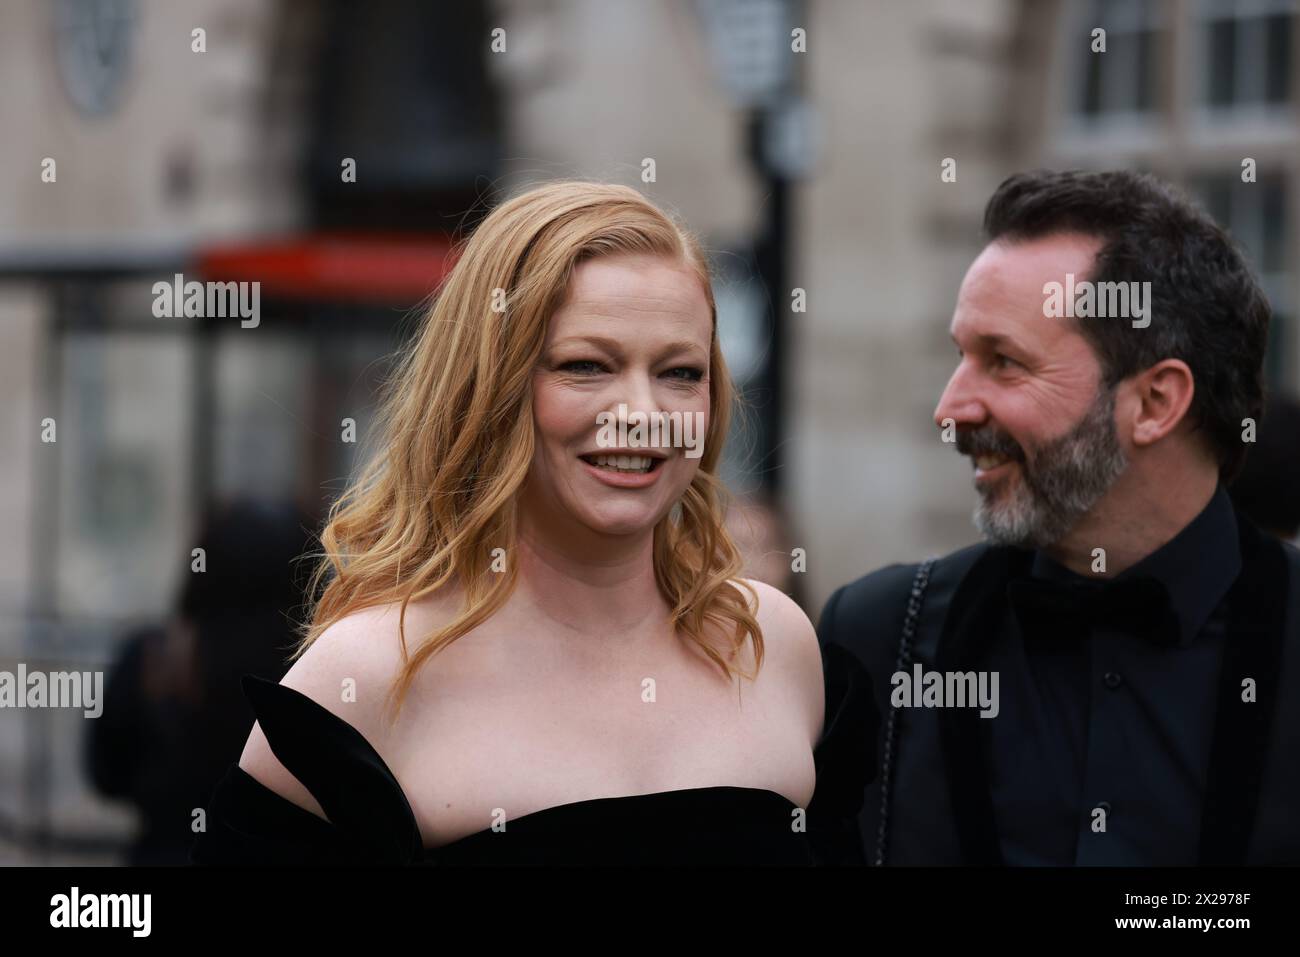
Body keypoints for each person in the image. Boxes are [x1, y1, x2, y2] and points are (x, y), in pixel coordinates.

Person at [190, 181, 876, 866]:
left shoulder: (774, 645)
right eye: (587, 366)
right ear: (493, 385)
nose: (641, 412)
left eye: (679, 372)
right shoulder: (367, 676)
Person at [819, 169, 1300, 866]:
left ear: (1157, 402)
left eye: (1004, 362)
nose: (951, 410)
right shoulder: (878, 633)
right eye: (962, 357)